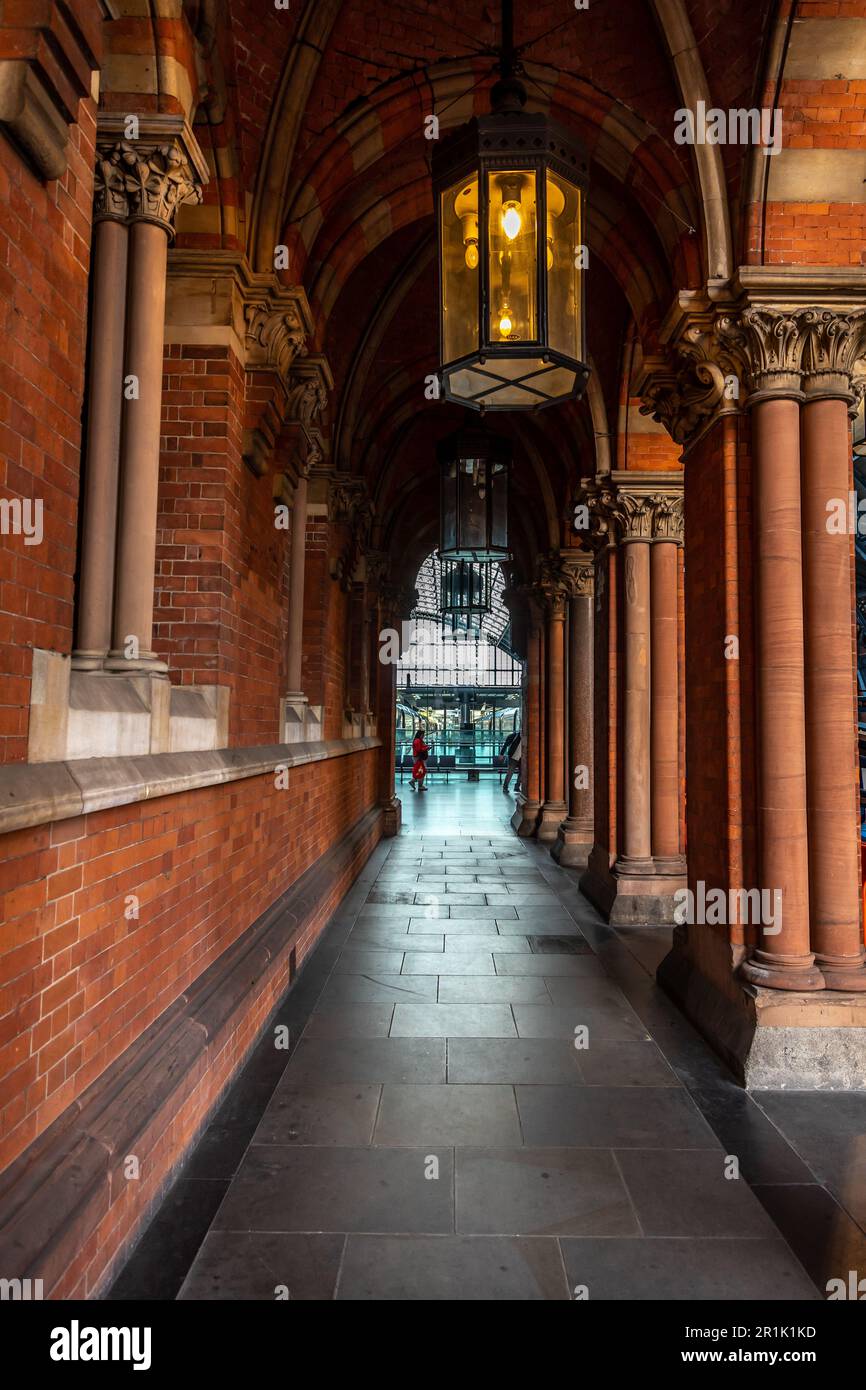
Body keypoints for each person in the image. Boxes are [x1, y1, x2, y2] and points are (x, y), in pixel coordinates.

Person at [502, 727, 522, 794]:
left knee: (522, 773)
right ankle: (505, 787)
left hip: (522, 759)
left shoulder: (527, 738)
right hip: (513, 757)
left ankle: (517, 787)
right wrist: (501, 754)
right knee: (510, 773)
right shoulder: (514, 736)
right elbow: (505, 744)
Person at [411, 727, 430, 792]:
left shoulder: (418, 740)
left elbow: (420, 748)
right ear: (420, 734)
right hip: (418, 757)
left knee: (420, 770)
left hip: (419, 757)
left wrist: (426, 747)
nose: (423, 736)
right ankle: (419, 785)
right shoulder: (418, 741)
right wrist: (426, 748)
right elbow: (419, 749)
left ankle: (415, 782)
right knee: (422, 770)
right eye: (423, 734)